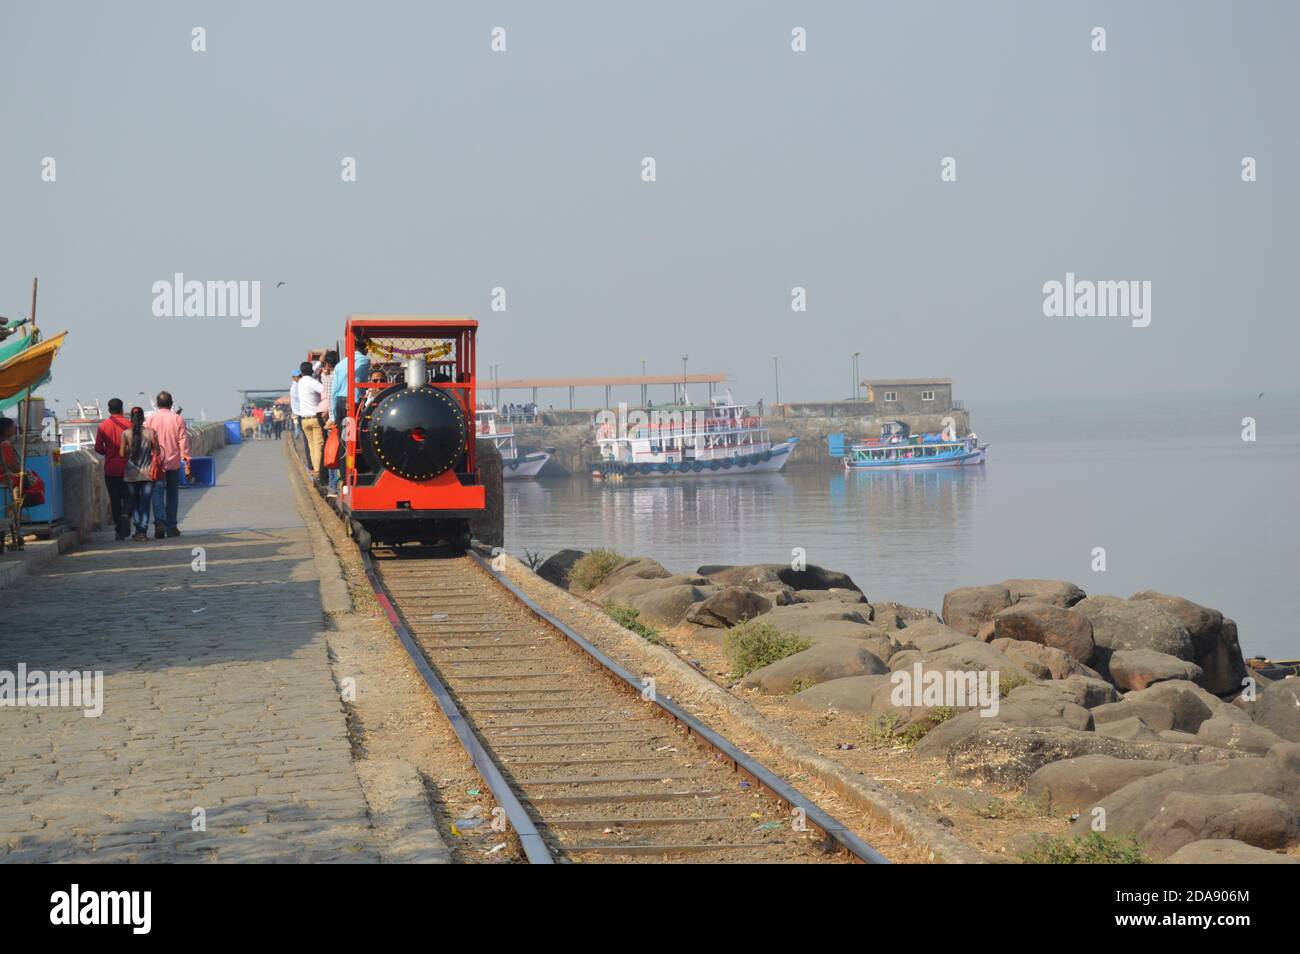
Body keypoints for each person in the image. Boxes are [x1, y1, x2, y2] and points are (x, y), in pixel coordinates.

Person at [145, 391, 192, 539]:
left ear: (157, 404)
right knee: (172, 495)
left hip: (156, 464)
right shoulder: (178, 419)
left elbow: (146, 440)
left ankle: (159, 521)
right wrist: (187, 463)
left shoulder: (150, 419)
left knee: (157, 493)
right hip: (173, 463)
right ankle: (171, 527)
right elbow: (183, 443)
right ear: (171, 404)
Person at [93, 398, 133, 540]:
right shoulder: (129, 424)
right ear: (122, 409)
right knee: (129, 495)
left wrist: (109, 452)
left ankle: (119, 530)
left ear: (109, 410)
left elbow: (98, 447)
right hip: (127, 467)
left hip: (110, 468)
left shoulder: (103, 426)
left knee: (115, 499)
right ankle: (127, 514)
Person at [119, 407, 157, 542]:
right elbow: (156, 451)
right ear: (143, 419)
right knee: (145, 504)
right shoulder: (151, 433)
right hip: (147, 474)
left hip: (131, 474)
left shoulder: (125, 434)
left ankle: (137, 527)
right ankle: (143, 530)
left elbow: (122, 454)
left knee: (134, 502)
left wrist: (131, 450)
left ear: (131, 420)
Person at [297, 360, 326, 474]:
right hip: (315, 418)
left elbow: (309, 375)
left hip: (304, 420)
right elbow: (324, 390)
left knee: (311, 446)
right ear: (312, 371)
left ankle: (315, 469)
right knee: (318, 445)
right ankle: (319, 470)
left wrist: (318, 363)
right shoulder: (313, 382)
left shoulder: (300, 382)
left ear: (301, 372)